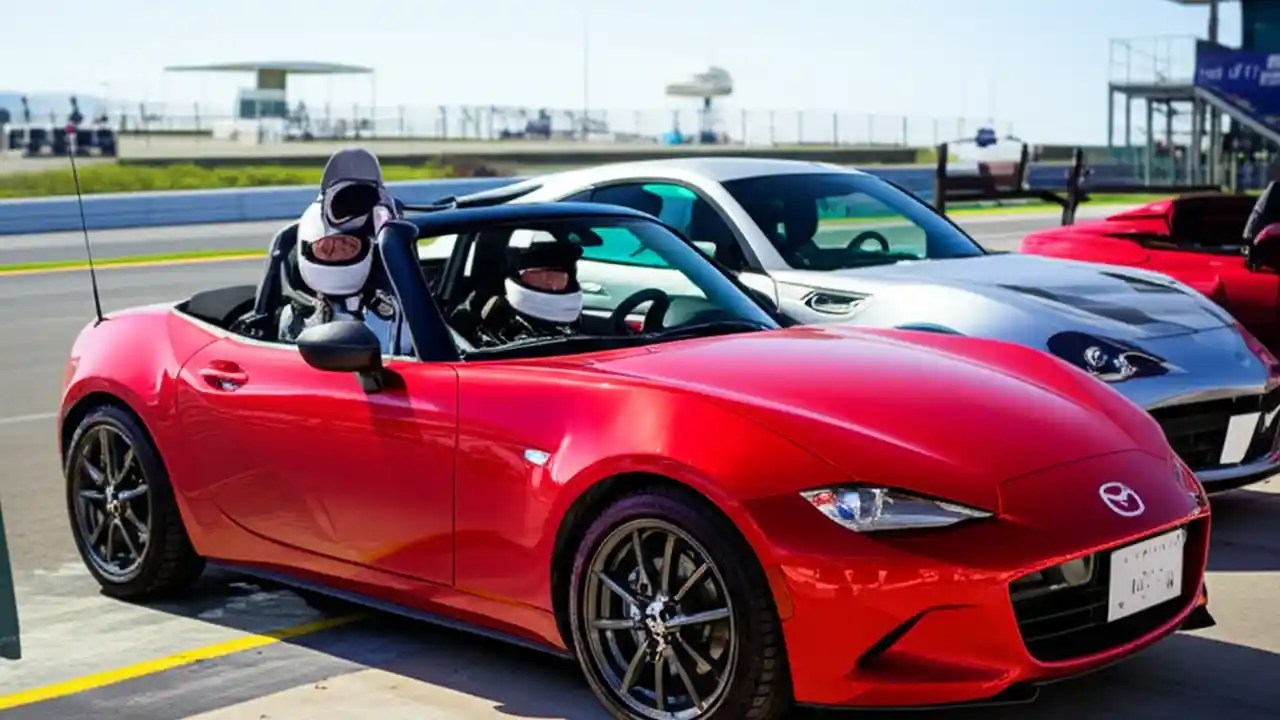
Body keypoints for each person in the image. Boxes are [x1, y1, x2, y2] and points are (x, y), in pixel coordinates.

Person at [278, 148, 414, 356]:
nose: (338, 250)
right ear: (306, 250)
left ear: (370, 251)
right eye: (327, 248)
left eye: (348, 246)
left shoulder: (400, 318)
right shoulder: (291, 317)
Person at [454, 240, 585, 347]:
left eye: (559, 276)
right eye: (541, 276)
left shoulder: (574, 322)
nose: (553, 284)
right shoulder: (491, 317)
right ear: (517, 275)